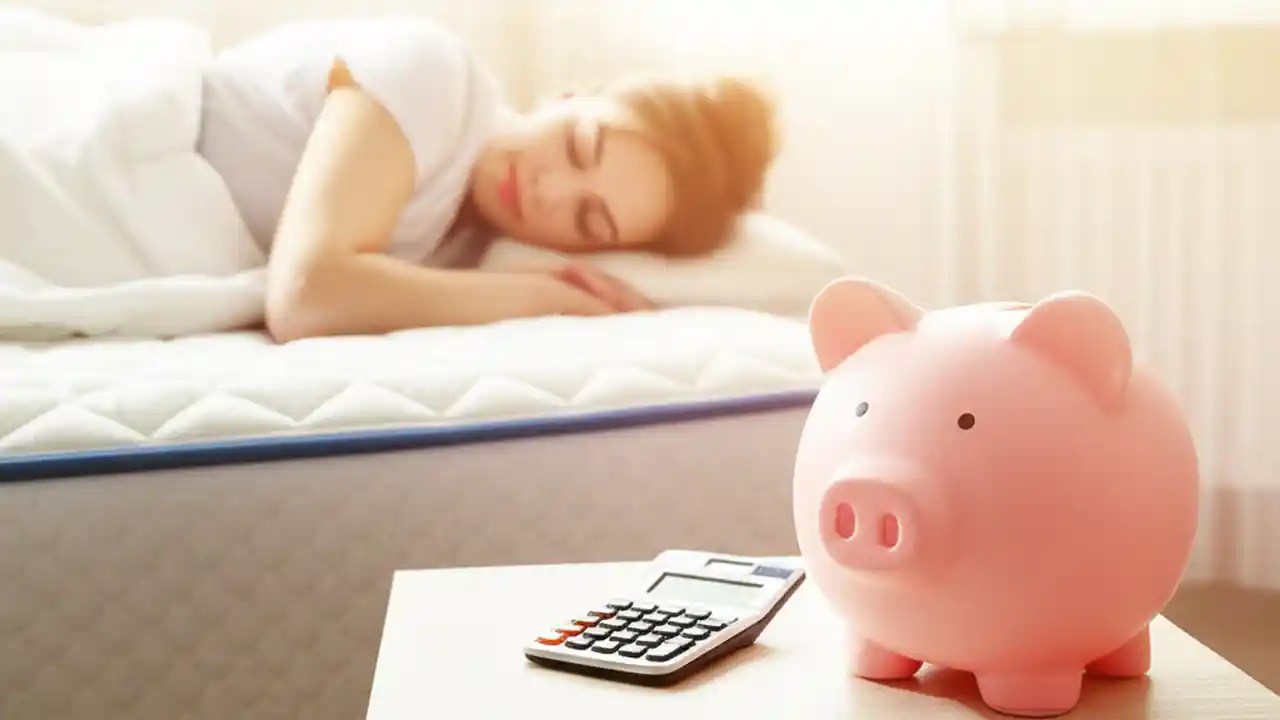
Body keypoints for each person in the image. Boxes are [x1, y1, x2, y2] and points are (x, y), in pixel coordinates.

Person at [198, 17, 777, 342]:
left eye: (586, 218)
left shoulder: (464, 243)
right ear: (574, 93)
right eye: (579, 146)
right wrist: (544, 297)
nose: (547, 192)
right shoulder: (436, 78)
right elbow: (306, 296)